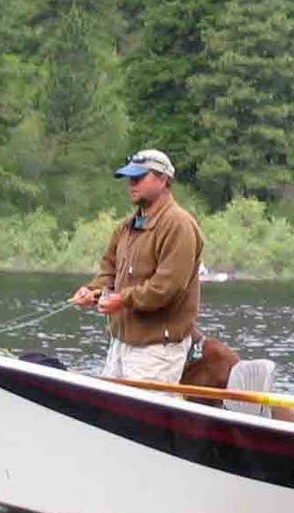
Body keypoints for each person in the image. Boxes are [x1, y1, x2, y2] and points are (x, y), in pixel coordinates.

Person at [70, 149, 204, 383]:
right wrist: (93, 291)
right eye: (129, 178)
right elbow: (109, 271)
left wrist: (121, 299)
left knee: (137, 407)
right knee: (108, 405)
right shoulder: (125, 227)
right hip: (120, 344)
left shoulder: (179, 225)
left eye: (139, 177)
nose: (132, 183)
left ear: (163, 179)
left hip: (158, 350)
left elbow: (166, 288)